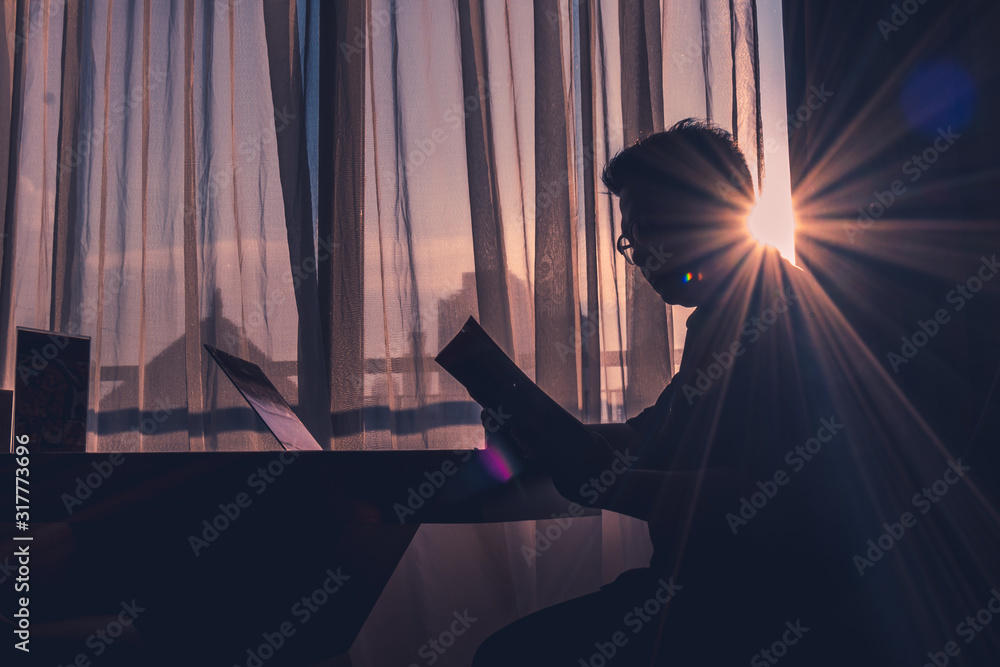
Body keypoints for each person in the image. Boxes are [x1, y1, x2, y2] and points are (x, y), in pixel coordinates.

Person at [472, 119, 851, 665]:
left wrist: (603, 483)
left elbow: (752, 495)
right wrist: (546, 431)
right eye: (632, 237)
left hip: (746, 609)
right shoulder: (726, 313)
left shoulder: (774, 318)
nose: (641, 253)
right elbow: (651, 429)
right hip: (698, 595)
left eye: (650, 227)